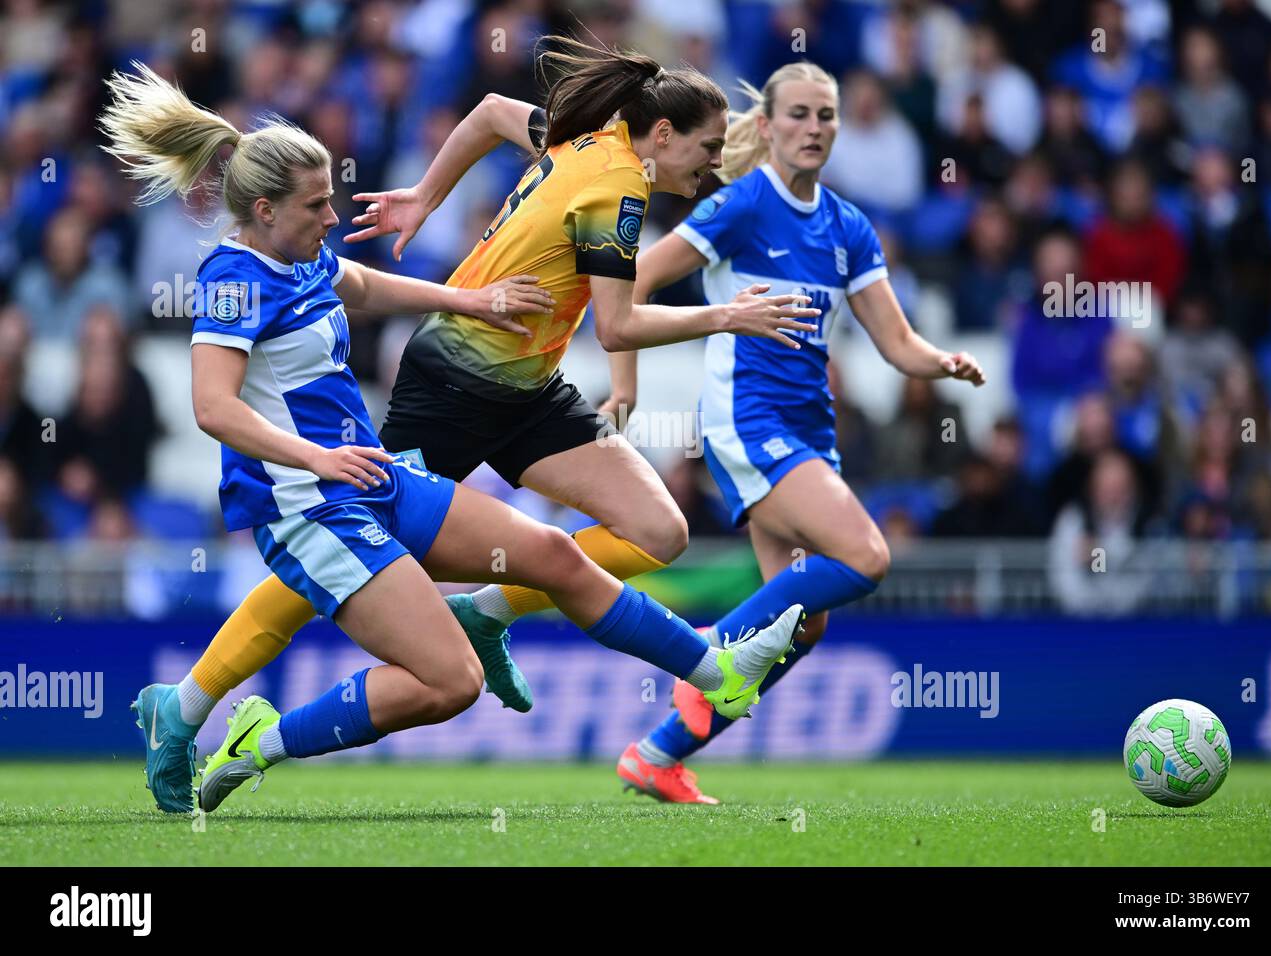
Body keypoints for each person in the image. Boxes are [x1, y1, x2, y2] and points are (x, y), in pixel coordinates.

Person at [101, 61, 804, 813]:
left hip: (400, 460)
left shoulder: (302, 256)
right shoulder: (234, 281)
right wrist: (317, 455)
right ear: (266, 210)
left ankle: (714, 672)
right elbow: (212, 407)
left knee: (557, 552)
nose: (333, 217)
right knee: (442, 674)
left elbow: (364, 284)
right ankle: (212, 721)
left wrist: (470, 291)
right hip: (327, 488)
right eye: (317, 206)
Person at [608, 62, 985, 803]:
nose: (814, 128)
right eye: (800, 115)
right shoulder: (743, 207)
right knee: (867, 556)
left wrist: (942, 362)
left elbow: (897, 343)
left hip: (810, 432)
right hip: (748, 423)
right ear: (770, 126)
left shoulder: (848, 226)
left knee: (801, 626)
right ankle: (709, 657)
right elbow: (635, 276)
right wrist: (626, 383)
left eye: (826, 116)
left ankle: (659, 754)